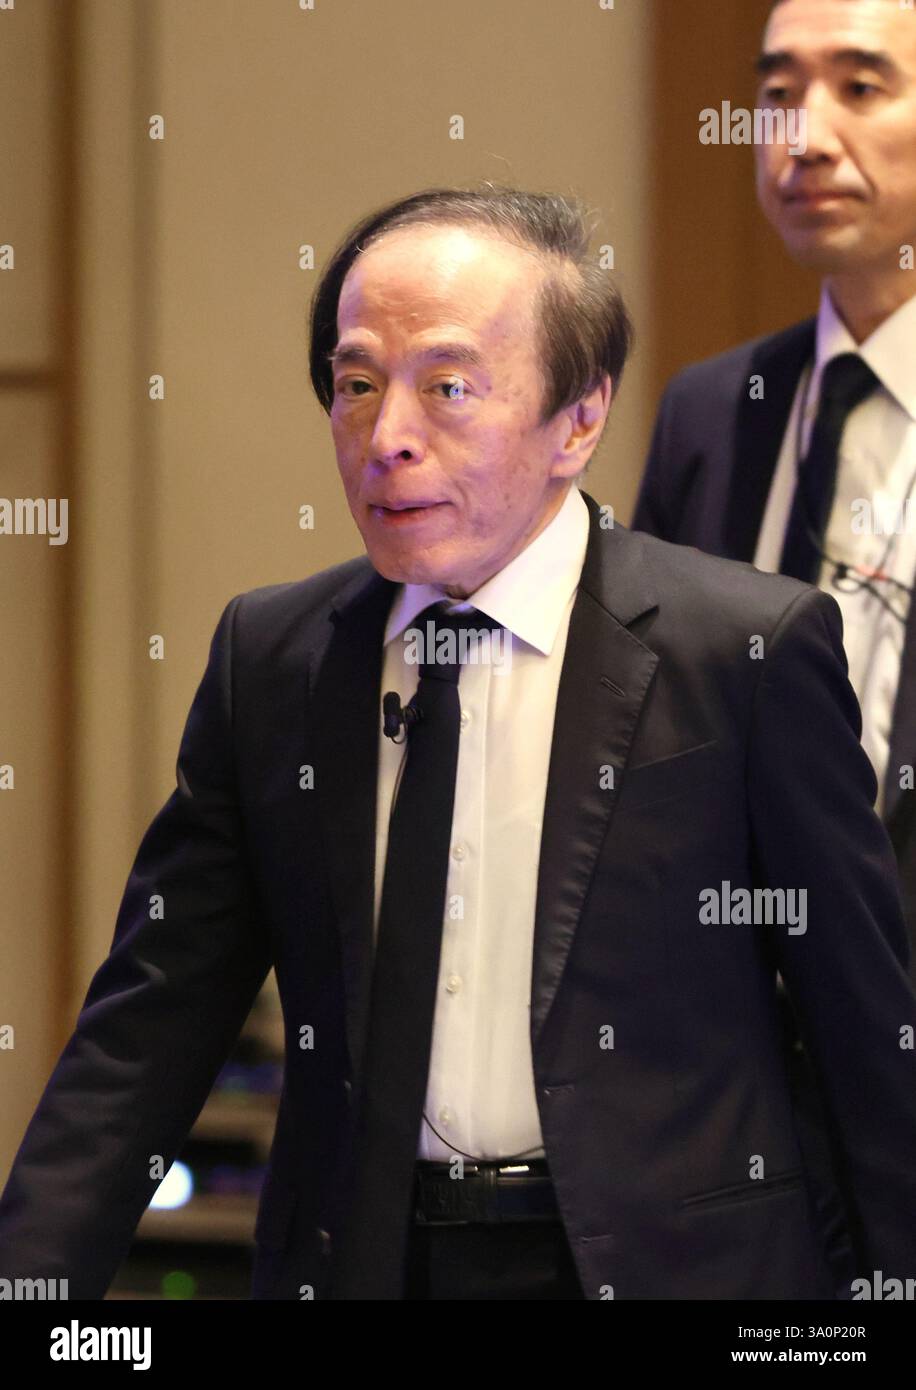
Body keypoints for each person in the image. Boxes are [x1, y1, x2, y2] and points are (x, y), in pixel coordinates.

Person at [1, 185, 914, 1302]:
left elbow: (872, 1043)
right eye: (354, 385)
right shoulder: (276, 658)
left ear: (579, 418)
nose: (386, 437)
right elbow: (151, 1020)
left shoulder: (743, 651)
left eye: (445, 388)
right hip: (371, 1261)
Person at [633, 0, 916, 975]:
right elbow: (644, 725)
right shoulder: (712, 410)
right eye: (777, 92)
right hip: (737, 1036)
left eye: (860, 87)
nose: (802, 138)